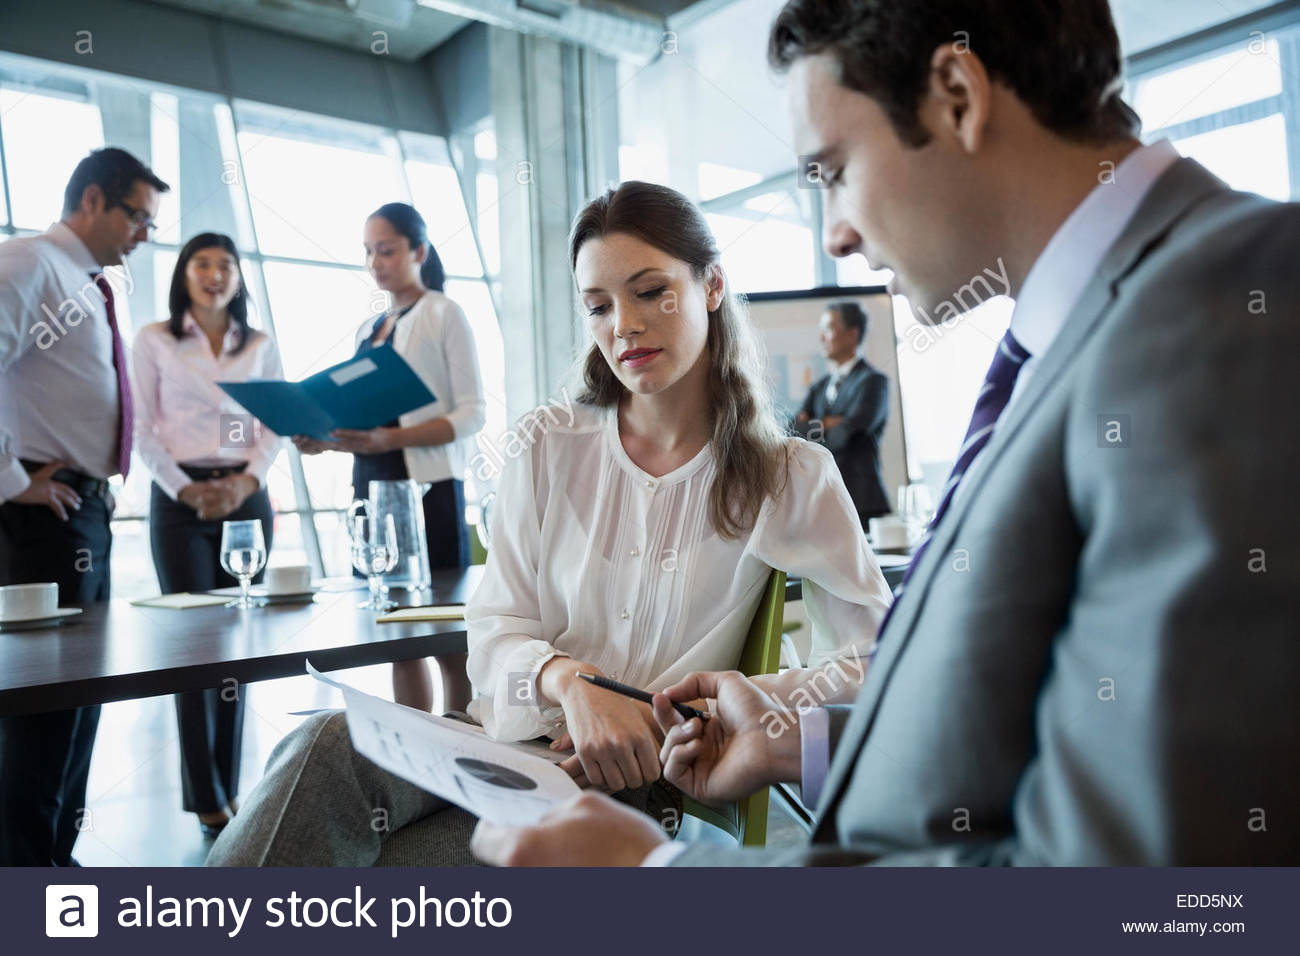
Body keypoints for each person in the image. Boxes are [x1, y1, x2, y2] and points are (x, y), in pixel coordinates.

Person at [468, 0, 1300, 867]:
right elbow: (1021, 732)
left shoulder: (1229, 311)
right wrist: (798, 743)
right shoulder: (1081, 336)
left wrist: (655, 876)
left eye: (830, 170)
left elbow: (1151, 895)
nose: (836, 233)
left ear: (956, 94)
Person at [206, 181, 893, 866]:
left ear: (712, 286)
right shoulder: (547, 445)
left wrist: (728, 706)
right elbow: (494, 629)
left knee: (382, 865)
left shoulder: (790, 473)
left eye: (651, 292)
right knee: (322, 745)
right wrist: (569, 681)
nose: (623, 324)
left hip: (627, 789)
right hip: (497, 746)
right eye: (598, 306)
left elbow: (874, 662)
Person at [0, 147, 169, 865]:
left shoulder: (88, 282)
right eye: (138, 216)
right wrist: (11, 478)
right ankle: (24, 883)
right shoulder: (30, 263)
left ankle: (52, 861)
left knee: (79, 702)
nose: (143, 233)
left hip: (83, 514)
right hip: (41, 516)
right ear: (94, 200)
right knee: (42, 714)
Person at [292, 203, 486, 712]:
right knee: (396, 640)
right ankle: (413, 767)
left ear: (418, 251)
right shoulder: (368, 328)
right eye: (368, 252)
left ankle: (461, 751)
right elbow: (365, 426)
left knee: (443, 636)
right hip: (373, 484)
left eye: (387, 250)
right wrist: (324, 438)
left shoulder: (444, 313)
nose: (376, 262)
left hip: (428, 488)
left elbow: (472, 414)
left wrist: (390, 440)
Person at [132, 232, 284, 839]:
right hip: (180, 502)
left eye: (226, 264)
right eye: (202, 263)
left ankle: (230, 784)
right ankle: (205, 797)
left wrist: (245, 481)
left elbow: (273, 422)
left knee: (237, 653)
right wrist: (187, 489)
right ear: (184, 273)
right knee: (194, 653)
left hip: (247, 497)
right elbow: (142, 428)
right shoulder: (155, 340)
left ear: (240, 277)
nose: (215, 273)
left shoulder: (260, 345)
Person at [792, 301, 890, 524]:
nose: (822, 338)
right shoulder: (819, 387)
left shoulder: (874, 382)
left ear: (852, 334)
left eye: (828, 329)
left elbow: (848, 433)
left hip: (863, 502)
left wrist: (814, 429)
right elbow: (793, 431)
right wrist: (827, 424)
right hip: (822, 500)